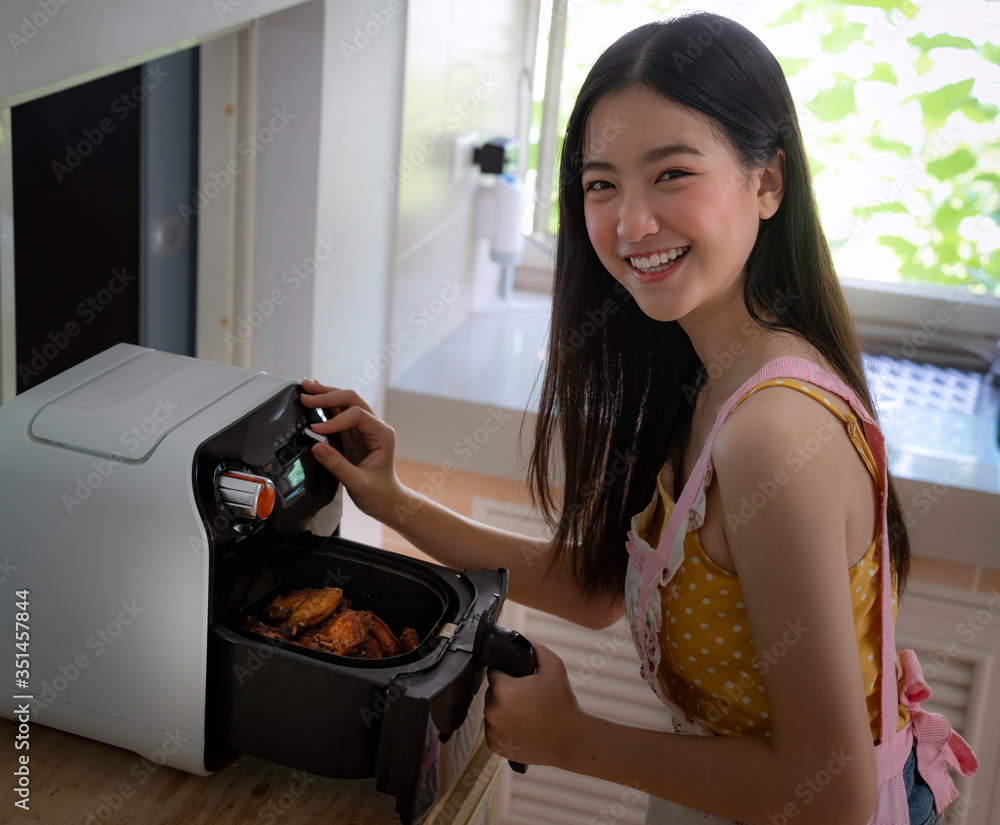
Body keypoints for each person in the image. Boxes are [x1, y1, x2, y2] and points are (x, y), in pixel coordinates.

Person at [300, 12, 977, 825]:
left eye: (671, 174)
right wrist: (394, 499)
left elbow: (831, 792)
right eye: (601, 183)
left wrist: (575, 739)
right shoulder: (706, 373)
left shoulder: (772, 432)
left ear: (768, 182)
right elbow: (601, 588)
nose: (629, 224)